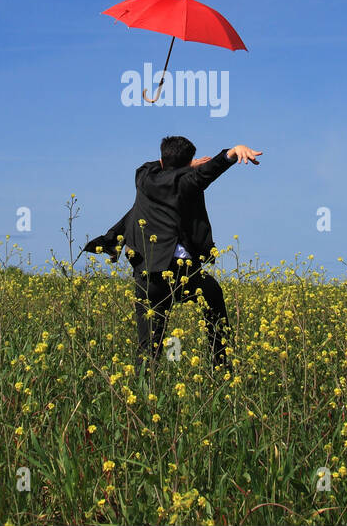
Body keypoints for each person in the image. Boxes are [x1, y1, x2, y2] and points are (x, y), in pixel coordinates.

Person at [83, 136, 263, 371]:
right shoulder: (189, 183)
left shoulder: (144, 177)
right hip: (180, 271)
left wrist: (185, 165)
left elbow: (157, 166)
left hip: (147, 272)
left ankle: (143, 388)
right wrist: (232, 152)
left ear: (161, 158)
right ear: (188, 163)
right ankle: (221, 365)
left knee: (149, 346)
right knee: (213, 295)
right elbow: (210, 170)